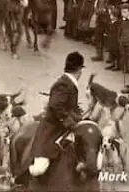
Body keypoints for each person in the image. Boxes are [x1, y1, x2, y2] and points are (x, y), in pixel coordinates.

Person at [22, 51, 85, 182]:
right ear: (80, 70)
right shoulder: (64, 84)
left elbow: (70, 107)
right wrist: (70, 122)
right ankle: (22, 179)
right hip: (52, 130)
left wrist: (81, 119)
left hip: (64, 128)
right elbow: (55, 106)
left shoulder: (69, 83)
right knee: (39, 168)